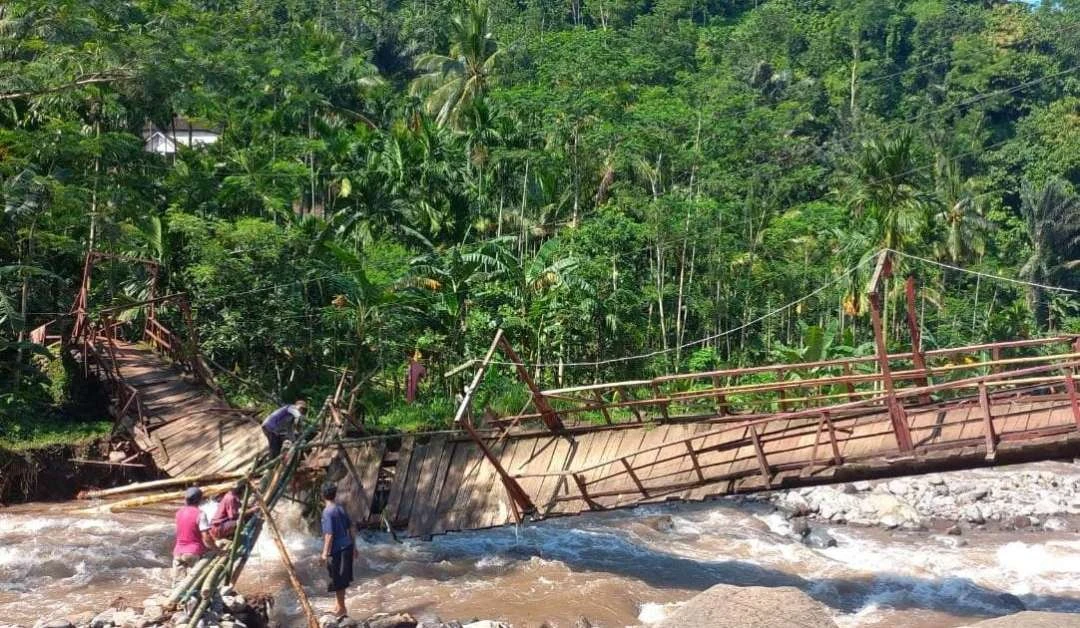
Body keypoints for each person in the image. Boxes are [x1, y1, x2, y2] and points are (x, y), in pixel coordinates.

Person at [320, 482, 357, 618]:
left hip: (338, 550)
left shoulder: (327, 512)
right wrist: (355, 547)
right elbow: (350, 528)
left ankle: (341, 608)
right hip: (346, 546)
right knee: (338, 577)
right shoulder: (340, 508)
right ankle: (338, 605)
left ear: (322, 495)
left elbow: (329, 534)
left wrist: (324, 553)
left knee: (339, 579)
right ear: (334, 495)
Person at [173, 486, 213, 583]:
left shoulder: (178, 513)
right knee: (194, 583)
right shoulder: (200, 514)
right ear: (199, 500)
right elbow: (206, 537)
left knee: (178, 584)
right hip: (193, 553)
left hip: (178, 552)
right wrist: (215, 549)